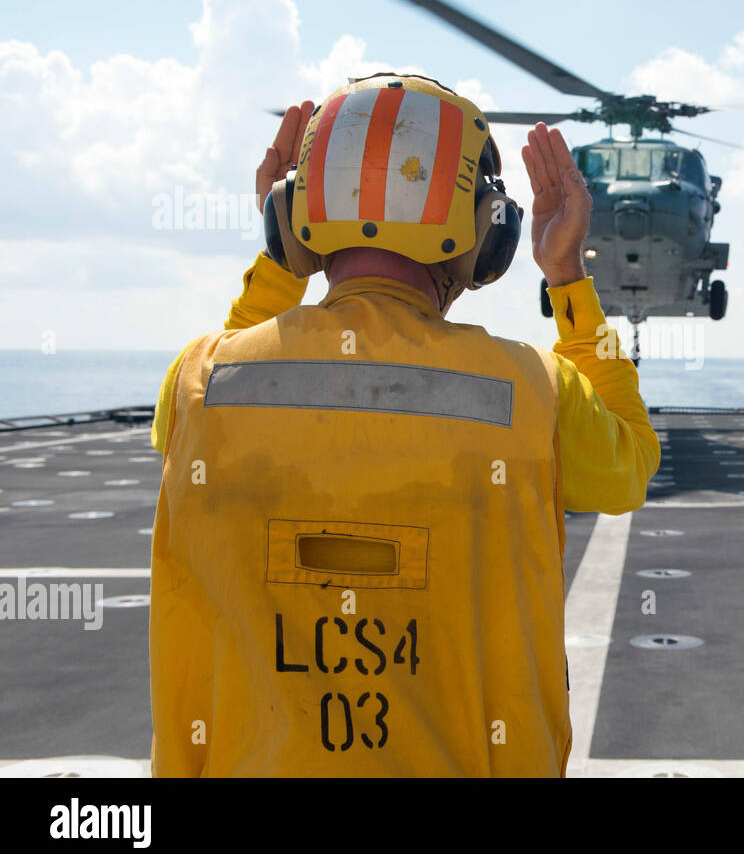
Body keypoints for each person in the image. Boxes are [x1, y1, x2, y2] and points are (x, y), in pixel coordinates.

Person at [147, 73, 659, 777]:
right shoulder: (536, 388)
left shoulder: (199, 381)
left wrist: (276, 265)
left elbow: (199, 417)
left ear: (290, 216)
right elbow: (630, 465)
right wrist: (567, 275)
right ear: (486, 232)